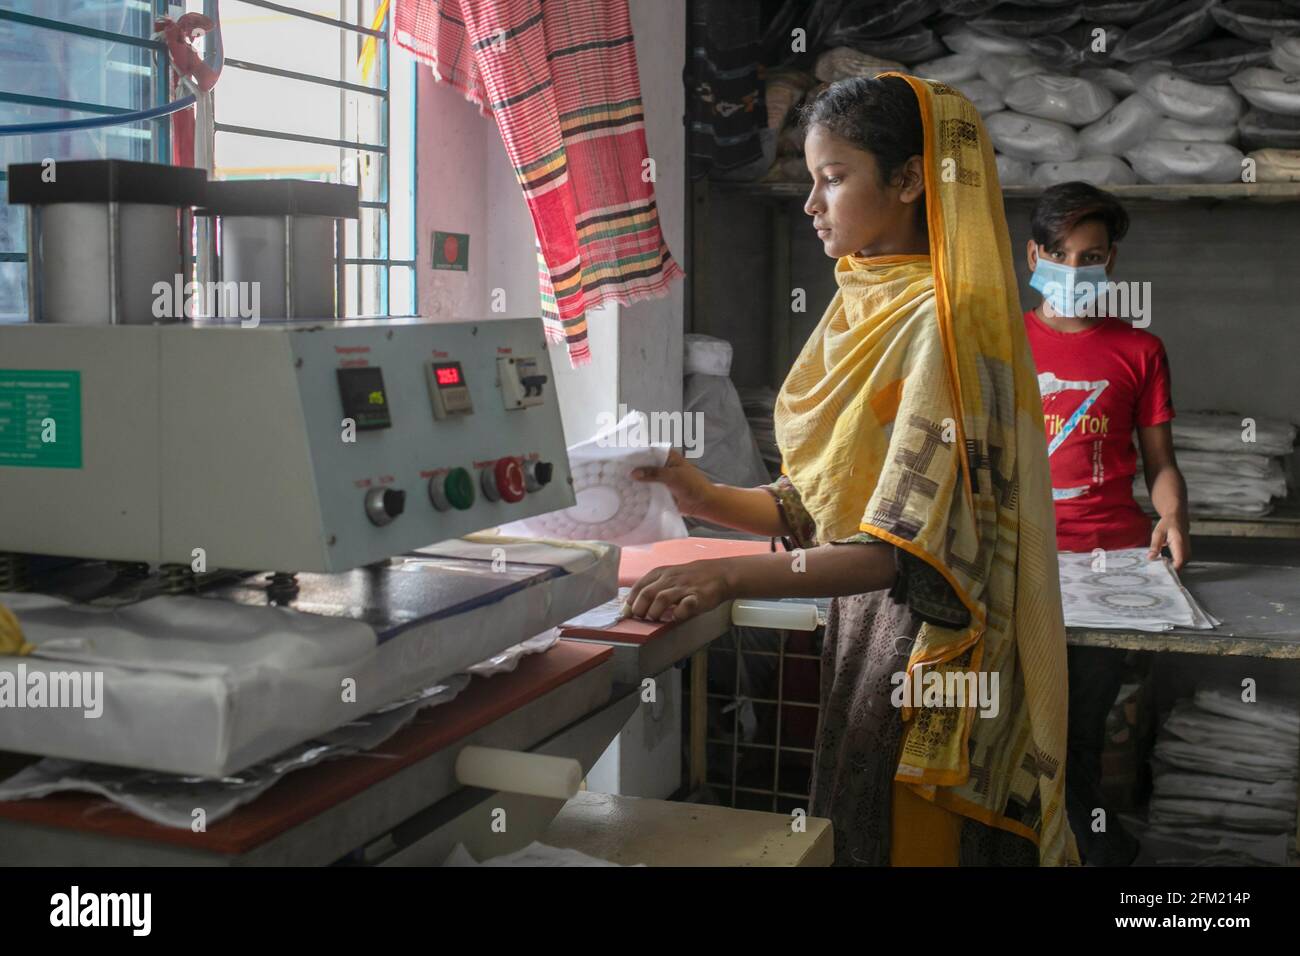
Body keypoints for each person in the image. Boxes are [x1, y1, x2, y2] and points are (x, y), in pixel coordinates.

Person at [628, 74, 1077, 866]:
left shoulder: (945, 322)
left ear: (908, 179)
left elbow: (897, 554)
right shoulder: (865, 302)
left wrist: (728, 581)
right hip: (865, 628)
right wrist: (697, 493)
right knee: (856, 831)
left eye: (833, 179)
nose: (811, 205)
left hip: (926, 647)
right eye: (811, 180)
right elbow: (818, 508)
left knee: (905, 842)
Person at [1023, 182, 1191, 866]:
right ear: (1033, 255)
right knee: (1009, 723)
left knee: (1080, 728)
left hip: (1107, 562)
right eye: (1059, 256)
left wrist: (1173, 514)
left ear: (1111, 262)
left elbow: (1161, 463)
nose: (1073, 272)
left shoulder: (1139, 351)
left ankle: (1088, 844)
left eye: (1089, 257)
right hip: (1023, 560)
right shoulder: (999, 343)